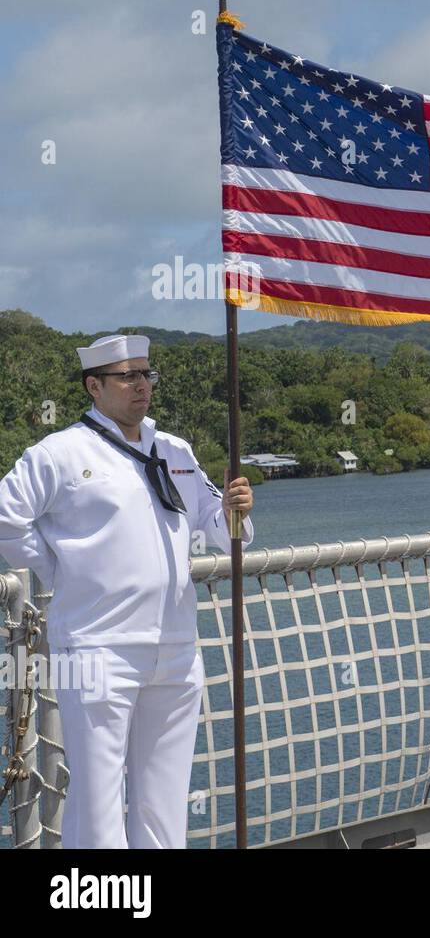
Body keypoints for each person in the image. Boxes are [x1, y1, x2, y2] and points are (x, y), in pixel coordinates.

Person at [0, 334, 254, 848]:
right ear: (94, 386)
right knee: (97, 800)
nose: (141, 385)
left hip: (176, 647)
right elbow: (7, 518)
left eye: (146, 374)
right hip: (99, 647)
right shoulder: (62, 453)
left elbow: (222, 529)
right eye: (127, 376)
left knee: (164, 799)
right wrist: (57, 571)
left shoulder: (175, 452)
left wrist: (237, 509)